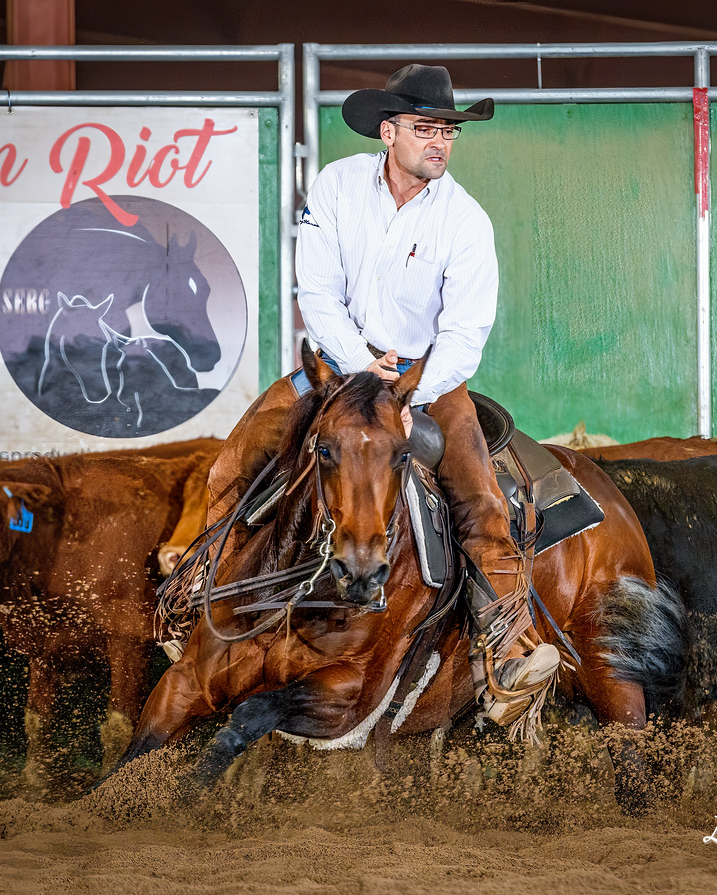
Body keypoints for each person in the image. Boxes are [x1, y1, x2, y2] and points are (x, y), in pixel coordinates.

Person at [204, 64, 559, 737]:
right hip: (338, 368)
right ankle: (198, 586)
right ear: (388, 131)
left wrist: (402, 392)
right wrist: (360, 369)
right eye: (425, 129)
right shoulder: (336, 187)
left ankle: (506, 655)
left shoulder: (465, 220)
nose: (440, 142)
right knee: (236, 458)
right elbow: (316, 294)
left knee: (481, 502)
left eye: (447, 131)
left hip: (428, 380)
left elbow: (464, 332)